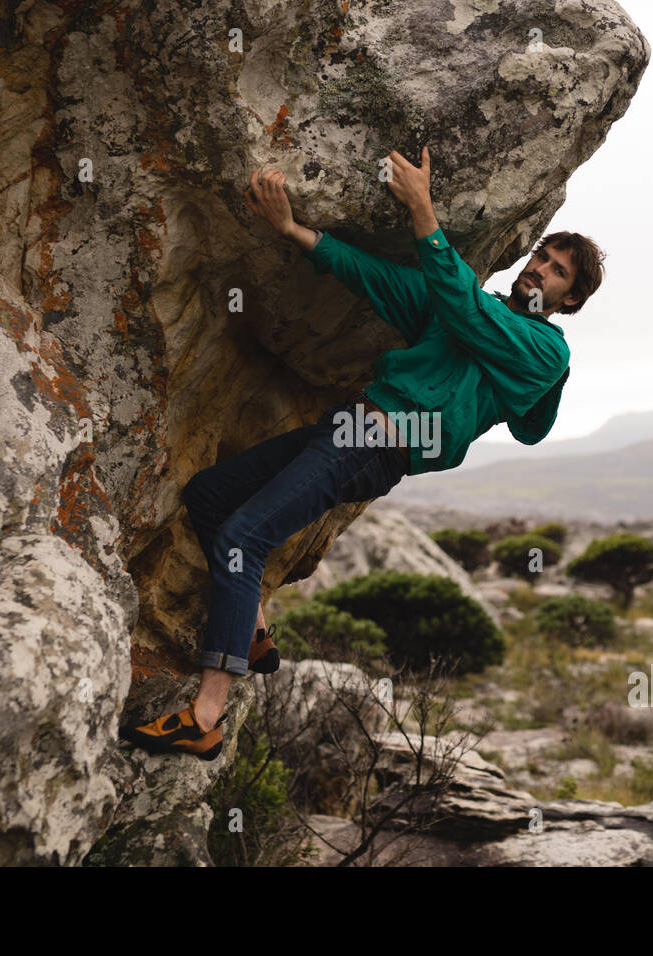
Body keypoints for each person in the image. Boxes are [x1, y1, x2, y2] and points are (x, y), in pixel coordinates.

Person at [121, 147, 605, 759]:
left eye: (557, 271)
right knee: (210, 495)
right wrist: (294, 230)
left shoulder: (542, 351)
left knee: (244, 536)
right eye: (542, 255)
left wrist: (422, 208)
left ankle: (206, 715)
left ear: (569, 301)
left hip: (378, 443)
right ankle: (253, 634)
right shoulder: (470, 308)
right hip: (347, 427)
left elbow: (462, 304)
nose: (539, 269)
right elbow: (385, 279)